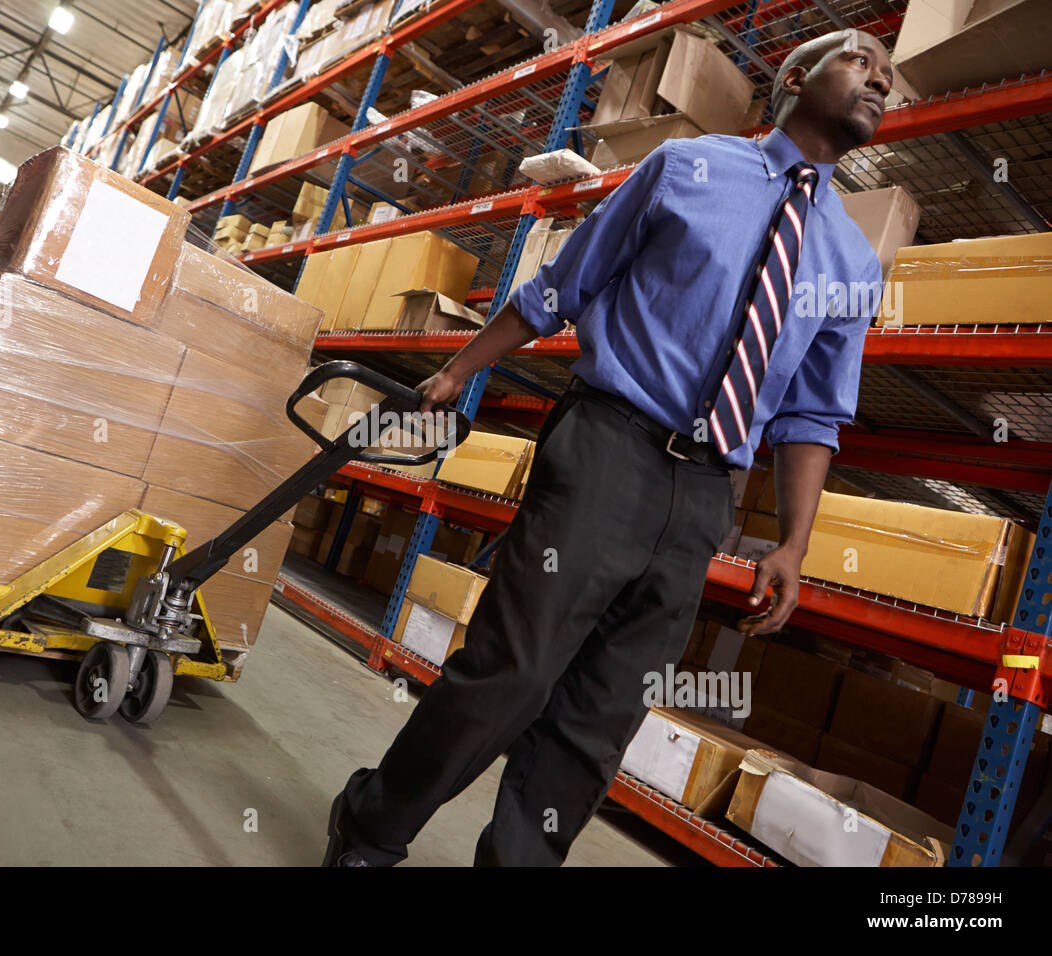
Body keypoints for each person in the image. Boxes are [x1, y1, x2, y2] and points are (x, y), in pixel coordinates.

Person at [323, 28, 892, 867]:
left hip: (705, 496)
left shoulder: (852, 259)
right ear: (798, 77)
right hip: (607, 450)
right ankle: (371, 827)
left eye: (891, 77)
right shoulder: (689, 169)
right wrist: (459, 370)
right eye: (862, 62)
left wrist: (795, 545)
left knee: (602, 716)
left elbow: (813, 416)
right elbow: (562, 286)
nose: (881, 80)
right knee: (511, 674)